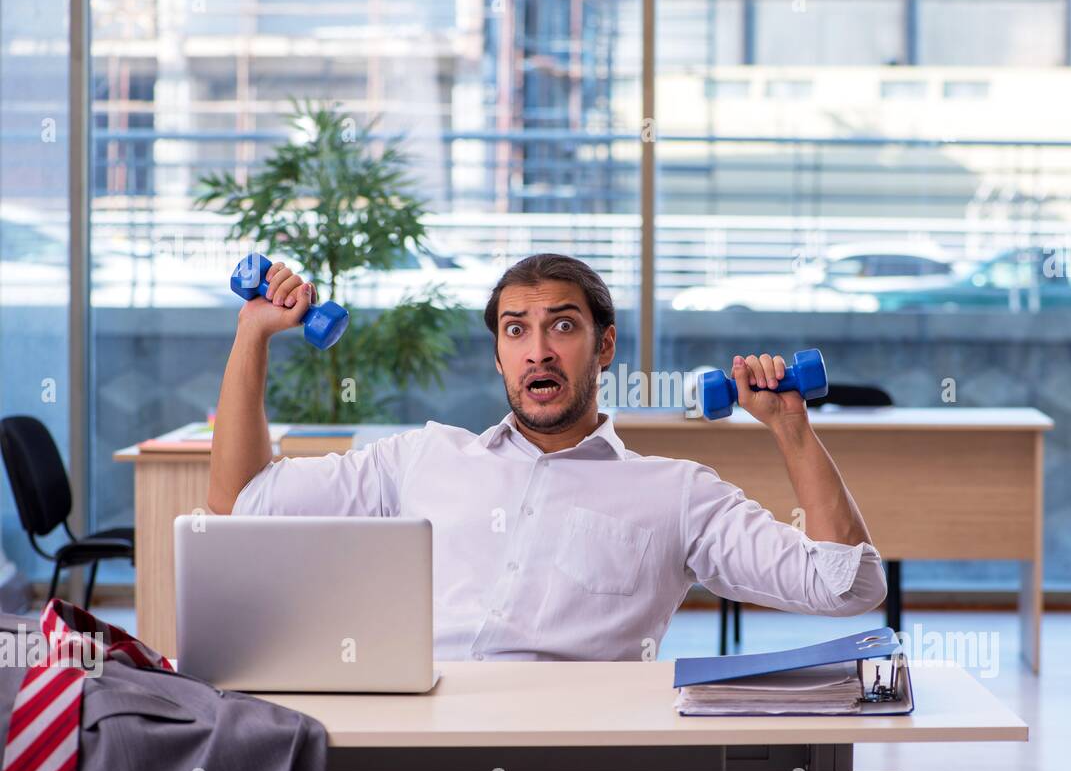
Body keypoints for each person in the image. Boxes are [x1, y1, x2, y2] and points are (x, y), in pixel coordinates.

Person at [207, 253, 886, 660]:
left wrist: (791, 429)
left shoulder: (675, 493)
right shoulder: (421, 461)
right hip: (421, 737)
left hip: (576, 762)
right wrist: (253, 334)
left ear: (605, 346)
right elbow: (240, 507)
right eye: (516, 330)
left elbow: (847, 586)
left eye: (563, 325)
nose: (539, 350)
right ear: (499, 354)